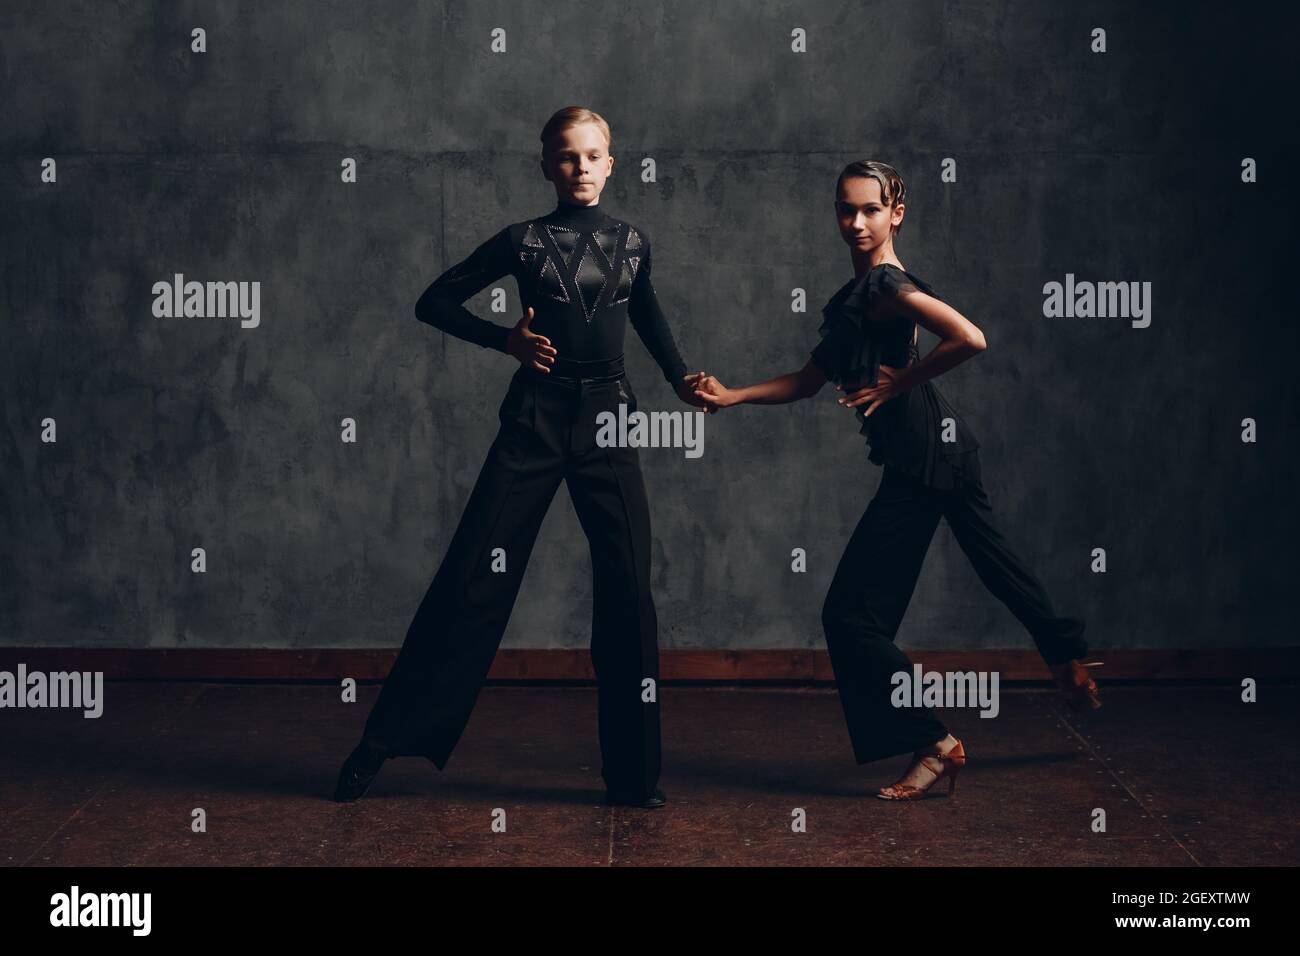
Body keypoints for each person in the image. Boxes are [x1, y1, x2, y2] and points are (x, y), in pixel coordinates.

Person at [688, 160, 1101, 801]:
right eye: (845, 210)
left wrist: (900, 380)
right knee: (997, 565)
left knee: (850, 618)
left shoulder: (885, 285)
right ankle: (1065, 659)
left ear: (895, 212)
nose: (855, 222)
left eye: (870, 210)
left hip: (923, 460)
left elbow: (971, 338)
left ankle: (936, 744)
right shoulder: (857, 298)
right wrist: (734, 395)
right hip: (941, 451)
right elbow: (807, 381)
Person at [333, 106, 711, 807]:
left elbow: (647, 315)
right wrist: (503, 340)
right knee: (471, 577)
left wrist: (683, 377)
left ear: (612, 161)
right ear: (545, 165)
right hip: (535, 420)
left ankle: (634, 777)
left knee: (628, 593)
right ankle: (381, 743)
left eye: (593, 155)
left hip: (608, 422)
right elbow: (433, 301)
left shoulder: (632, 241)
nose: (581, 168)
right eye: (567, 157)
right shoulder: (524, 240)